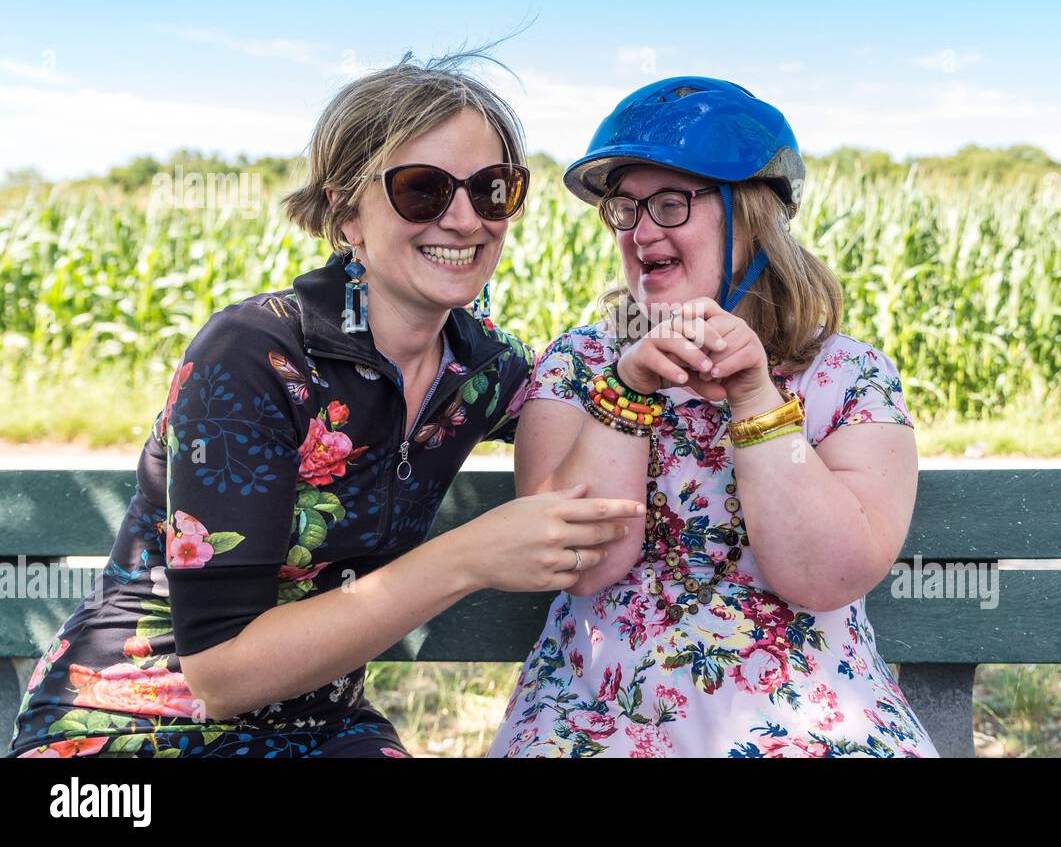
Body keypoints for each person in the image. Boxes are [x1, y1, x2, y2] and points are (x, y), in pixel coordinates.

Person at [8, 50, 638, 758]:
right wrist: (467, 557)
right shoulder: (256, 356)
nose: (466, 219)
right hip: (129, 722)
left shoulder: (485, 371)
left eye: (493, 189)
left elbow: (602, 420)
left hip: (323, 722)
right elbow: (218, 674)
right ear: (348, 217)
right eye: (422, 189)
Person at [489, 76, 939, 757]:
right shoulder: (579, 364)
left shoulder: (850, 377)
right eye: (625, 208)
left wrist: (756, 398)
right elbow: (580, 563)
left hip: (806, 710)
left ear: (750, 215)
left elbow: (826, 574)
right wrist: (629, 388)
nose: (640, 232)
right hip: (600, 706)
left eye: (670, 204)